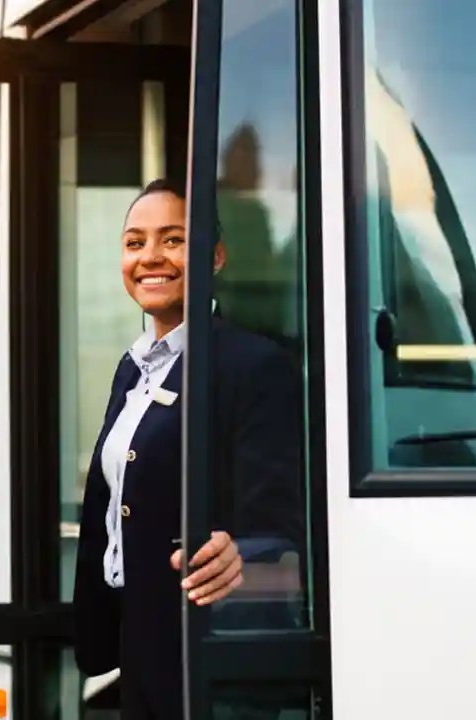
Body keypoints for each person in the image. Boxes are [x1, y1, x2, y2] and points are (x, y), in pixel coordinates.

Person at [73, 179, 304, 719]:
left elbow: (282, 522)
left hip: (207, 650)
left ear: (215, 256)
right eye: (134, 243)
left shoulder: (253, 365)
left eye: (172, 240)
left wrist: (241, 548)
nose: (150, 256)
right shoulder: (132, 369)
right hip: (138, 647)